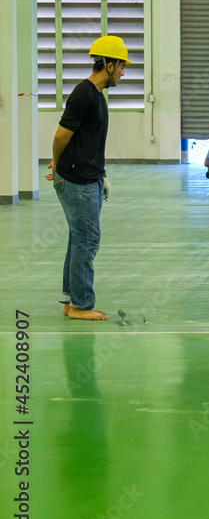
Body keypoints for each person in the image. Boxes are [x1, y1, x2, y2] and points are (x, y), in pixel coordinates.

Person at [43, 35, 129, 320]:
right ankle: (81, 305)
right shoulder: (83, 94)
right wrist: (57, 162)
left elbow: (89, 142)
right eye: (121, 67)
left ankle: (71, 299)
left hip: (89, 179)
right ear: (109, 63)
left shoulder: (97, 96)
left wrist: (101, 175)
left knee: (78, 239)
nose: (123, 73)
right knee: (88, 240)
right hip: (77, 182)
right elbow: (60, 135)